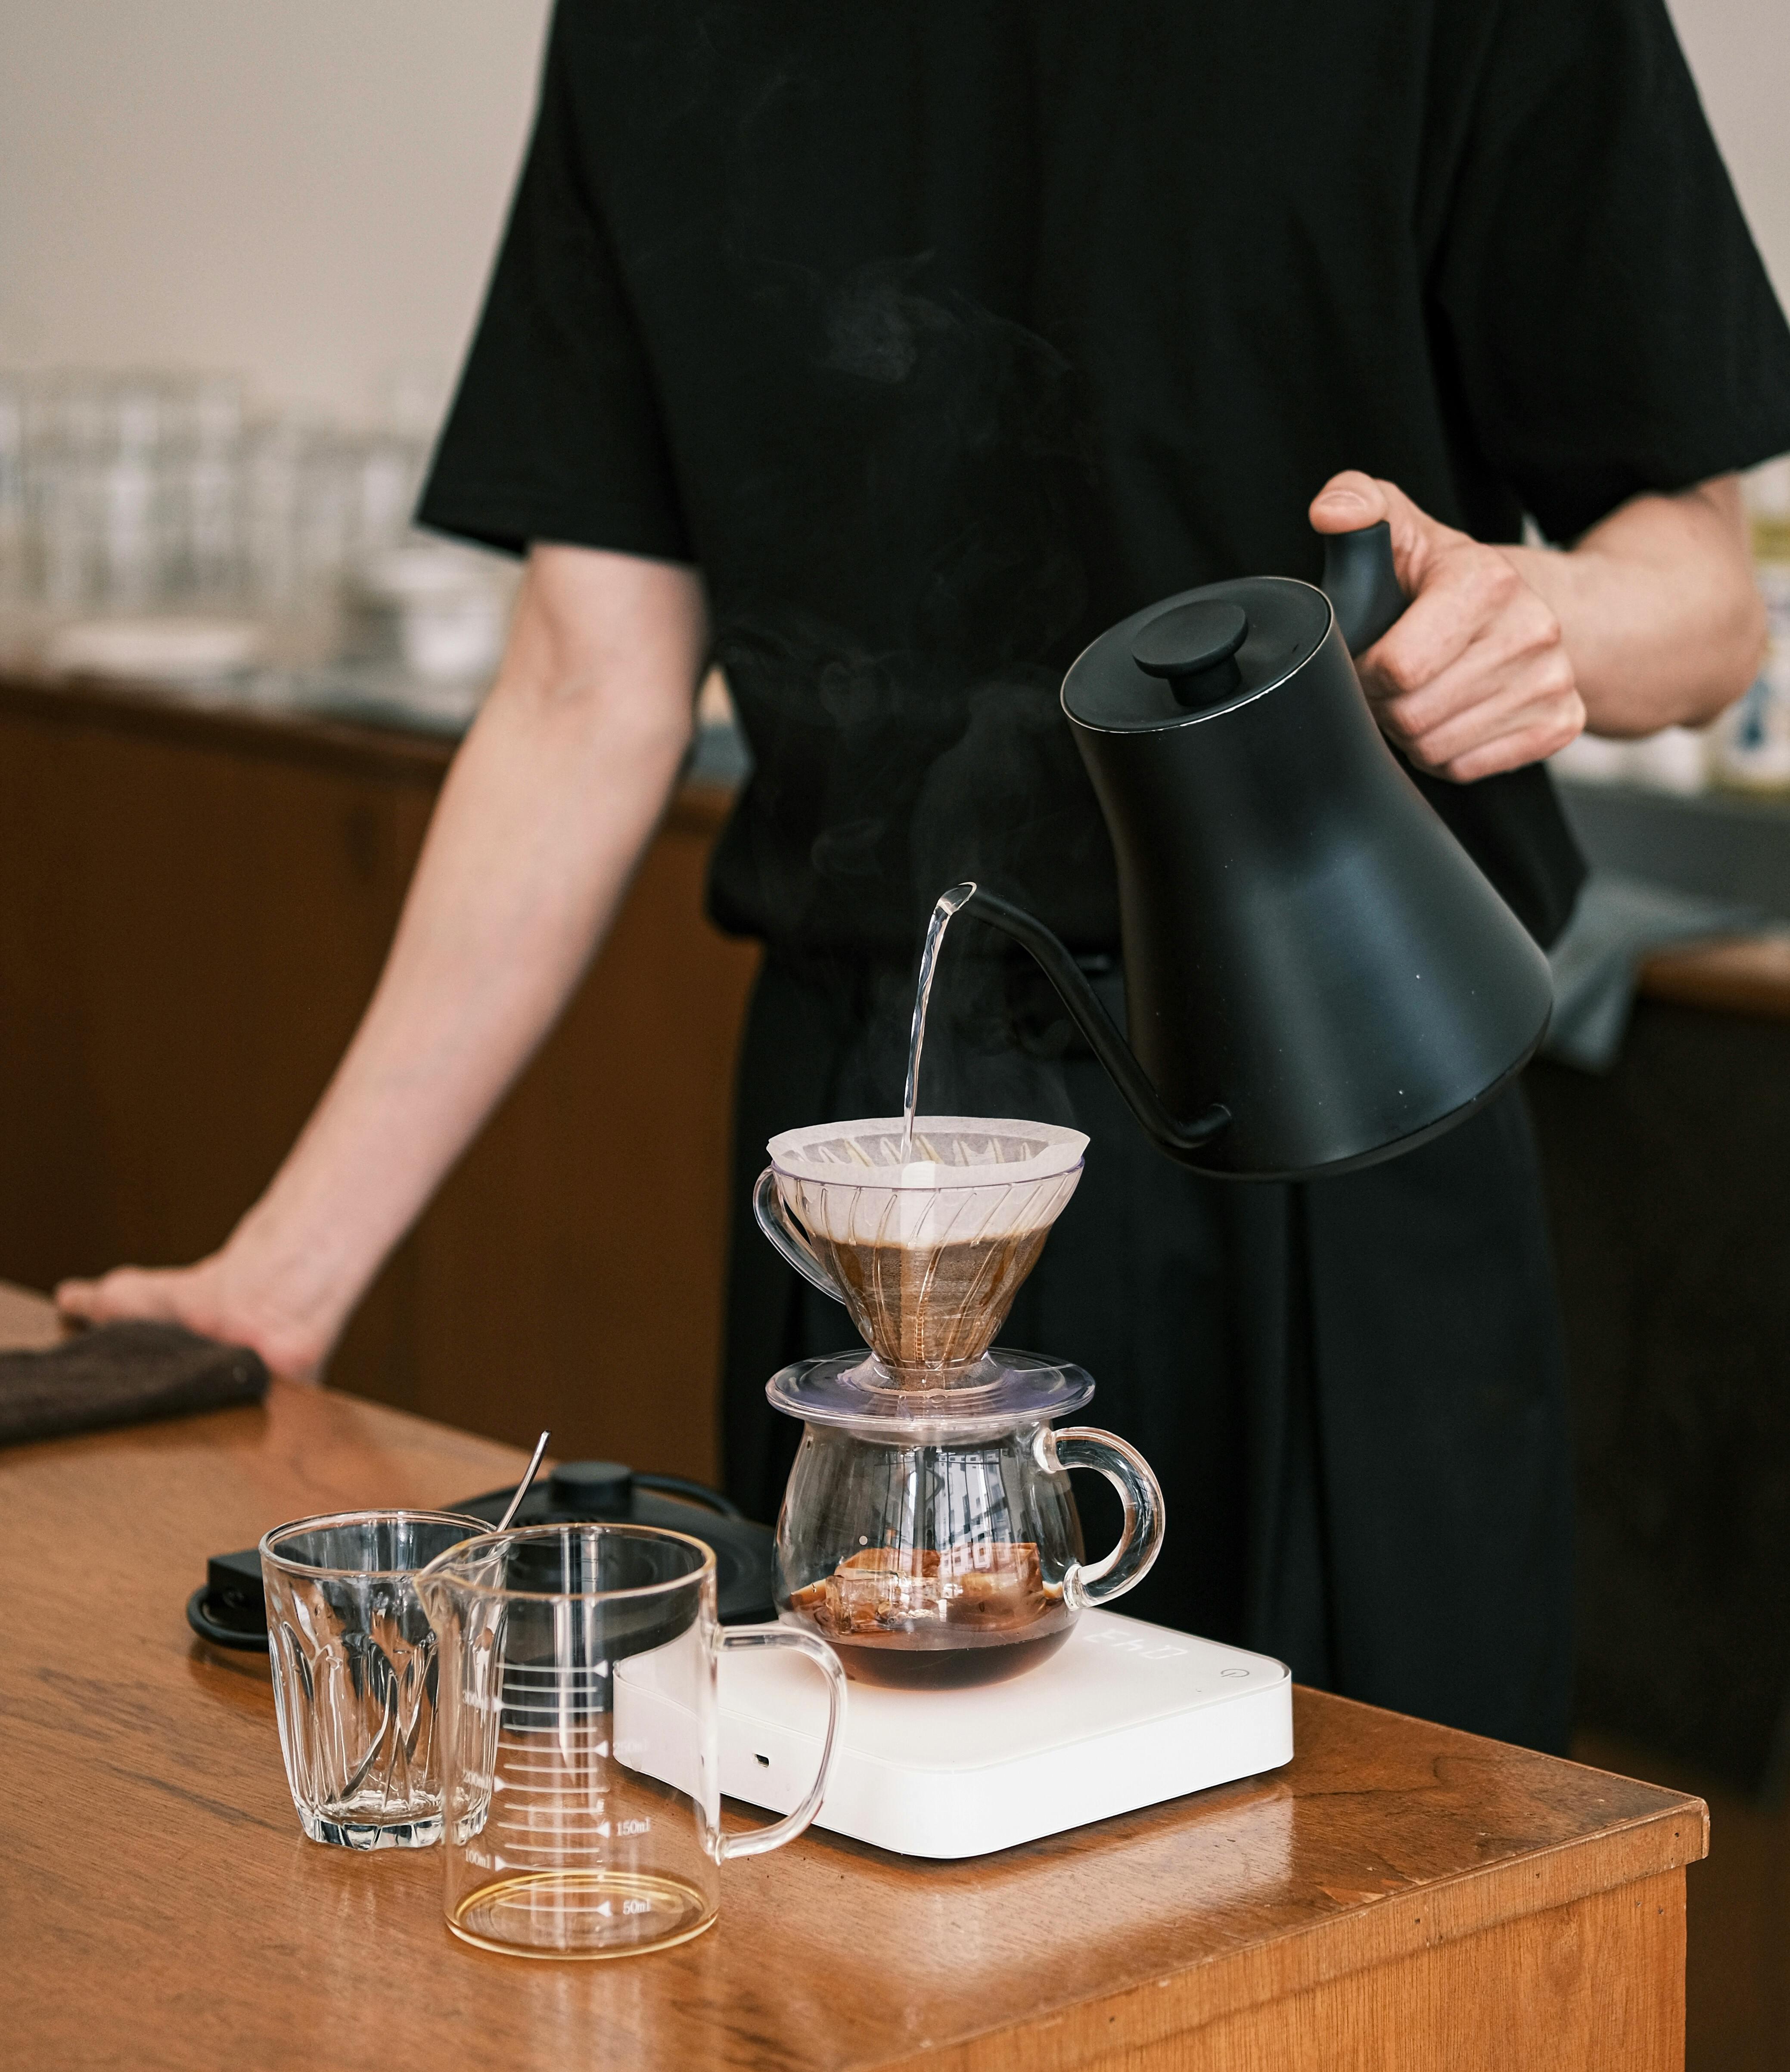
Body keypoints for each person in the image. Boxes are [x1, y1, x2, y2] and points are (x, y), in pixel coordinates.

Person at [60, 0, 1790, 1751]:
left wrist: (1539, 615)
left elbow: (1705, 592)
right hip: (874, 1158)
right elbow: (589, 682)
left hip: (1341, 1123)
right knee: (854, 1910)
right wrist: (280, 1277)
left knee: (1396, 1911)